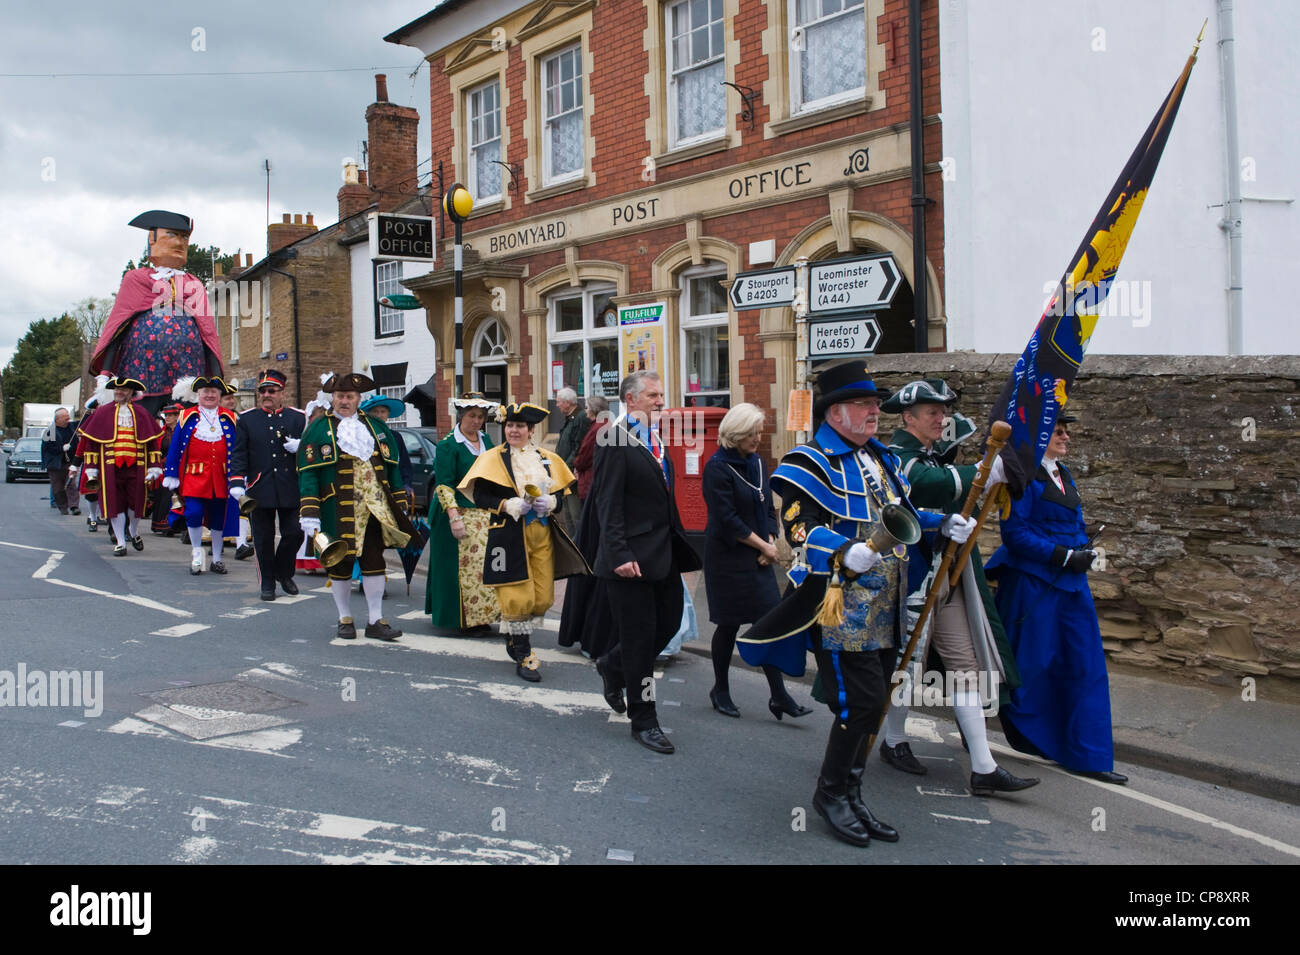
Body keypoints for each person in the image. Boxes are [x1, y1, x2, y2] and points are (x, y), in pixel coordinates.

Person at [743, 361, 948, 847]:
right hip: (842, 607)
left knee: (874, 704)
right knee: (860, 703)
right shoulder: (807, 462)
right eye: (865, 405)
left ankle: (852, 793)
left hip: (888, 605)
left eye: (876, 405)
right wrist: (839, 548)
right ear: (836, 413)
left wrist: (943, 524)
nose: (876, 412)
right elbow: (796, 526)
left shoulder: (882, 459)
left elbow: (904, 514)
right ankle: (831, 793)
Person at [880, 378, 1038, 798]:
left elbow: (943, 479)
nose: (941, 418)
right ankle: (893, 741)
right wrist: (983, 473)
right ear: (909, 418)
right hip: (908, 582)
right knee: (905, 662)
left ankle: (983, 767)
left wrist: (985, 475)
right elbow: (922, 486)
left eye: (943, 411)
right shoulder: (897, 457)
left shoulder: (932, 455)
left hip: (945, 577)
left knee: (965, 662)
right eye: (932, 412)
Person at [985, 415, 1127, 784]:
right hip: (1034, 584)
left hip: (1073, 585)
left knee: (1085, 665)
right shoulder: (1021, 475)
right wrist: (1063, 556)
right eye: (1058, 430)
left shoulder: (1064, 472)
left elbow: (1075, 525)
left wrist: (1083, 552)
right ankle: (999, 731)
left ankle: (1088, 754)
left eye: (1067, 430)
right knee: (1030, 665)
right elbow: (1015, 534)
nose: (1066, 436)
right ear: (1040, 434)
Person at [586, 372, 702, 754]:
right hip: (630, 559)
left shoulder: (653, 439)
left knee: (667, 624)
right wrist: (619, 554)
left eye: (660, 394)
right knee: (639, 641)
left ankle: (613, 665)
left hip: (662, 553)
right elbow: (608, 502)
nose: (659, 401)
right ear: (630, 399)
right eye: (653, 395)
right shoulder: (613, 438)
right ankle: (644, 719)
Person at [459, 402, 587, 682]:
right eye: (510, 425)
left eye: (519, 426)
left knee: (542, 599)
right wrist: (507, 504)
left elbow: (563, 495)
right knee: (518, 598)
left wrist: (552, 502)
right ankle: (524, 653)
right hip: (507, 536)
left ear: (531, 430)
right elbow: (480, 496)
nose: (513, 430)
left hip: (541, 535)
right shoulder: (492, 458)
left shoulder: (546, 458)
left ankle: (511, 632)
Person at [701, 402, 811, 721]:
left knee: (766, 624)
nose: (758, 438)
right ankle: (720, 689)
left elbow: (767, 507)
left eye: (759, 431)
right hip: (727, 557)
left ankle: (779, 695)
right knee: (729, 623)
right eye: (752, 432)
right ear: (735, 433)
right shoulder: (717, 468)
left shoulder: (758, 463)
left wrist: (771, 542)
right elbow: (726, 519)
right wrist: (764, 545)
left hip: (760, 556)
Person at [297, 372, 417, 641]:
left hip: (375, 509)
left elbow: (392, 469)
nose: (344, 401)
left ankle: (376, 620)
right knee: (339, 564)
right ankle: (345, 618)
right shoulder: (318, 429)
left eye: (350, 397)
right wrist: (309, 512)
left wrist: (399, 504)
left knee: (375, 563)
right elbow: (308, 473)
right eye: (340, 396)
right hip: (336, 508)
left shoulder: (375, 427)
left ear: (358, 399)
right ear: (333, 398)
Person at [90, 210, 224, 416]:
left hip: (186, 372)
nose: (180, 243)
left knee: (185, 425)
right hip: (141, 372)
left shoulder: (194, 283)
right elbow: (117, 327)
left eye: (184, 237)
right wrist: (105, 375)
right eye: (172, 235)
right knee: (139, 425)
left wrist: (216, 380)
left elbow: (207, 333)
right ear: (152, 239)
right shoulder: (135, 279)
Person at [425, 393, 500, 633]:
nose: (476, 421)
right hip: (454, 512)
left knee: (481, 567)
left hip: (481, 512)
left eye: (480, 416)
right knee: (459, 568)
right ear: (461, 416)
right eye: (472, 416)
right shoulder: (449, 445)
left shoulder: (486, 440)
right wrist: (454, 518)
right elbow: (444, 484)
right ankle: (461, 619)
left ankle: (481, 616)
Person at [229, 369, 306, 601]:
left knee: (295, 533)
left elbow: (314, 450)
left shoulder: (298, 417)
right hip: (259, 487)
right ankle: (268, 583)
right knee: (262, 539)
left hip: (290, 486)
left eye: (271, 391)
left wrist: (302, 446)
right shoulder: (247, 419)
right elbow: (239, 453)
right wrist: (236, 482)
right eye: (262, 391)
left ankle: (284, 572)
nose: (266, 395)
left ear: (282, 393)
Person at [74, 377, 164, 556]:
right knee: (114, 504)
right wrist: (92, 469)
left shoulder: (141, 413)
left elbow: (152, 444)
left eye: (123, 390)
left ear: (131, 393)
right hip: (110, 468)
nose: (119, 392)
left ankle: (134, 531)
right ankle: (121, 542)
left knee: (136, 503)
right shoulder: (102, 412)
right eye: (117, 389)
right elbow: (92, 444)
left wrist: (154, 467)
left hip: (136, 466)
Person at [162, 376, 238, 575]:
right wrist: (171, 473)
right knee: (194, 513)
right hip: (194, 476)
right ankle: (197, 553)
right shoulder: (187, 416)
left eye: (214, 392)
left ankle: (218, 558)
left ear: (220, 395)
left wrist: (241, 475)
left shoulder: (230, 417)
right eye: (206, 392)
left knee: (218, 518)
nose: (210, 395)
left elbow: (239, 448)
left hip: (222, 477)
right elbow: (176, 446)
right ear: (198, 395)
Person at [553, 386, 590, 534]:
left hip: (572, 477)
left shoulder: (580, 417)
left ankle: (579, 553)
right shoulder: (571, 419)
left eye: (559, 402)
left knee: (576, 519)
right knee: (567, 518)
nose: (557, 405)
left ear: (568, 402)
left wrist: (566, 468)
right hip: (565, 476)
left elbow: (578, 447)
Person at [150, 403, 183, 534]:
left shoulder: (182, 431)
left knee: (176, 495)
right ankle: (162, 524)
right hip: (164, 468)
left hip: (179, 467)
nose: (167, 418)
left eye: (170, 415)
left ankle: (175, 523)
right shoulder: (162, 433)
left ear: (177, 417)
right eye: (166, 415)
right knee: (163, 496)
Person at [41, 408, 78, 515]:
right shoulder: (49, 432)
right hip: (55, 464)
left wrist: (91, 410)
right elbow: (47, 449)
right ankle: (63, 507)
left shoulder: (72, 427)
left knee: (71, 484)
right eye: (66, 417)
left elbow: (84, 421)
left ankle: (74, 506)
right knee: (58, 487)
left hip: (69, 462)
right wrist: (61, 448)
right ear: (58, 419)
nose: (68, 419)